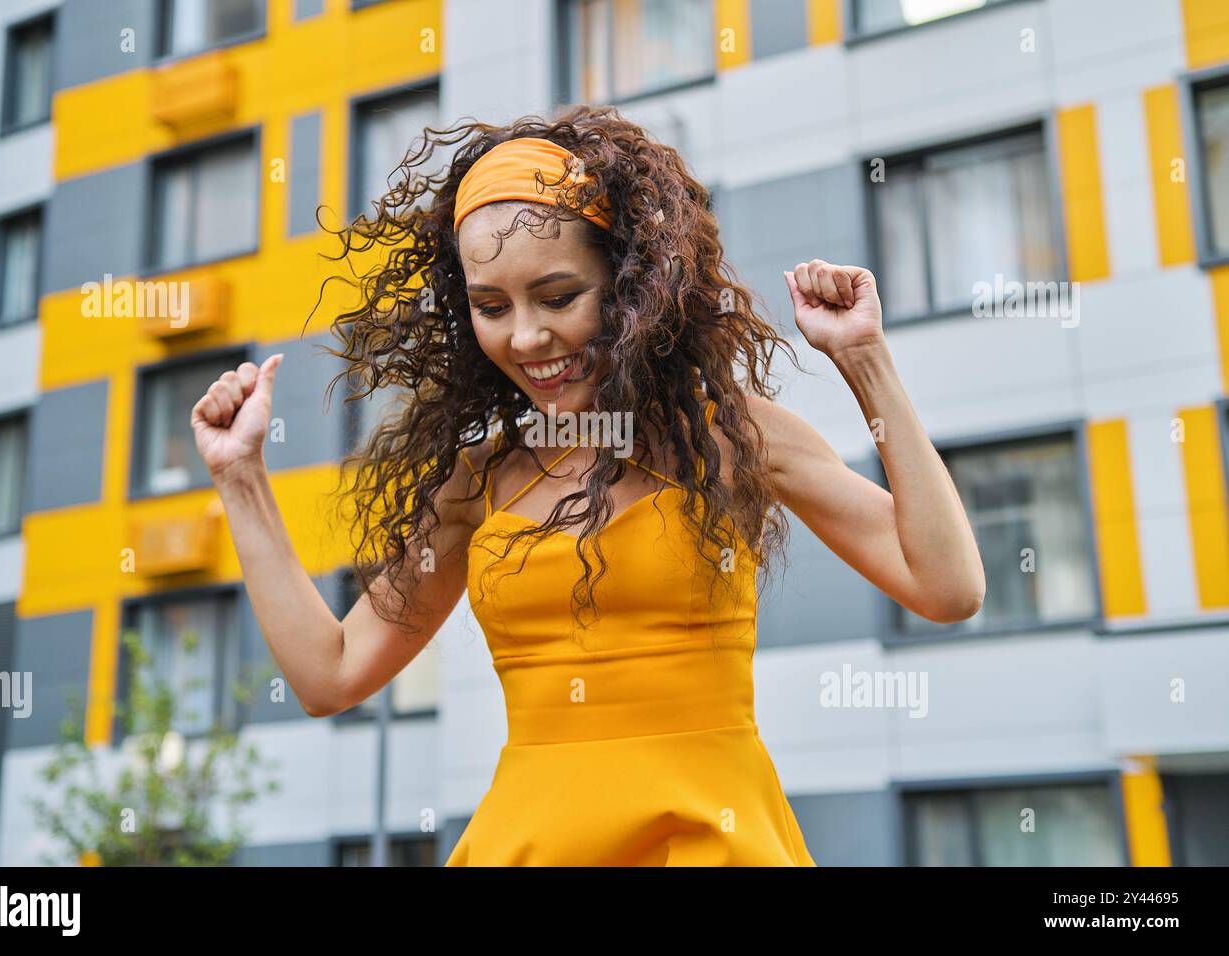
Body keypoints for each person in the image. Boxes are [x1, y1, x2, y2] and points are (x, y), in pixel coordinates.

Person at [190, 104, 985, 866]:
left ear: (629, 283)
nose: (527, 336)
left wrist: (864, 360)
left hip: (712, 841)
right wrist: (240, 477)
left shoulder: (735, 437)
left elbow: (946, 588)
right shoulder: (477, 485)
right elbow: (330, 674)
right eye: (491, 306)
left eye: (559, 296)